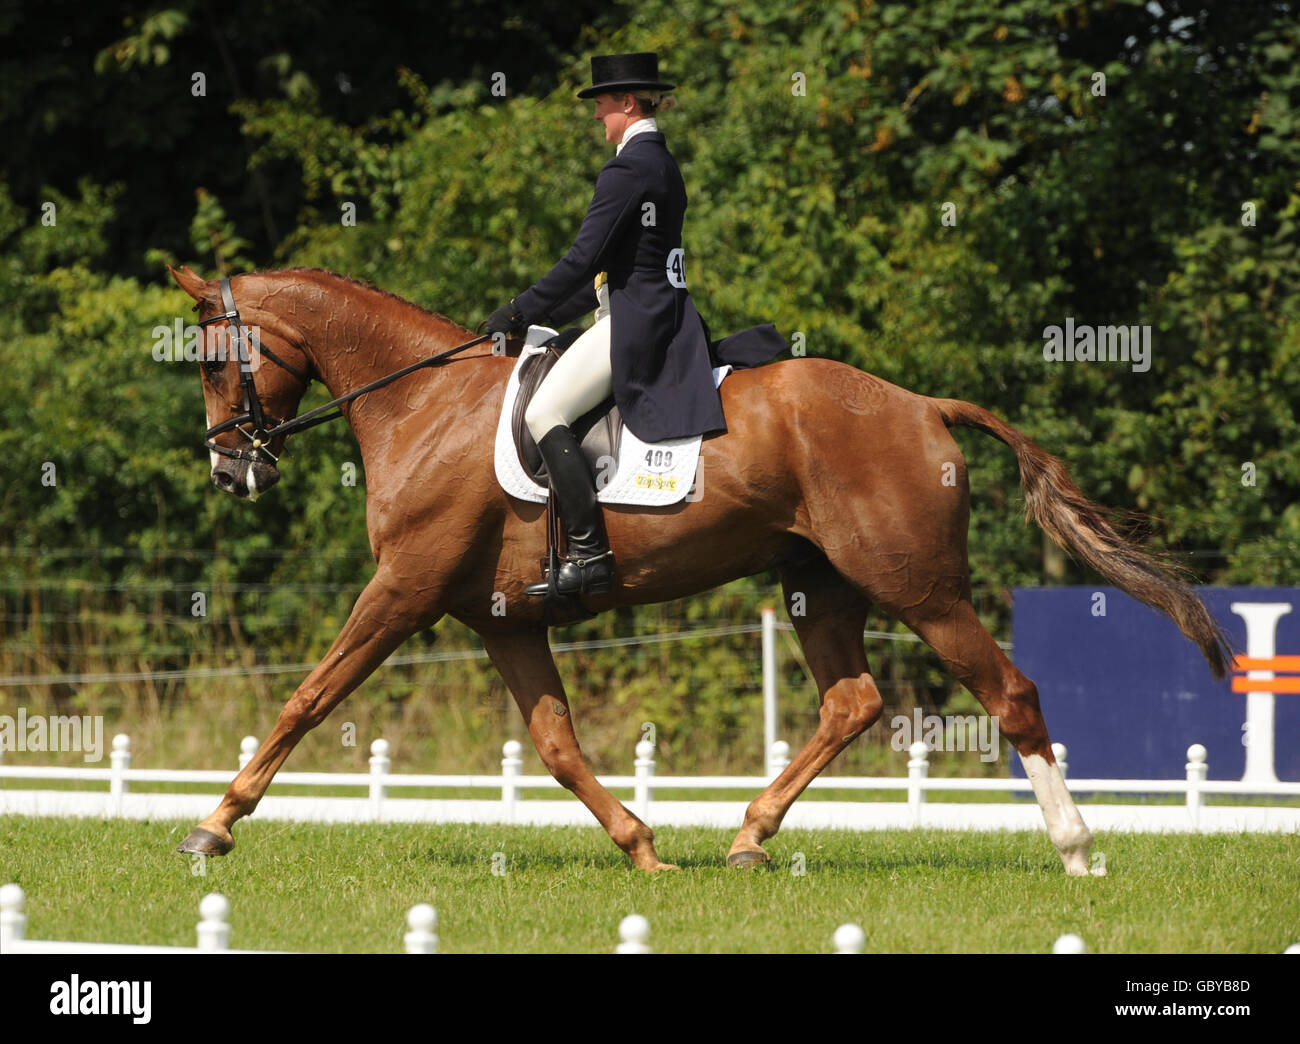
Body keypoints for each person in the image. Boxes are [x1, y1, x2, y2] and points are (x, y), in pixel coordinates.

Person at [486, 52, 786, 598]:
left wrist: (518, 310)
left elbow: (581, 259)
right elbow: (606, 269)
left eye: (601, 104)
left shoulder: (630, 167)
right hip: (650, 310)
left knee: (544, 411)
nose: (596, 115)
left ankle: (589, 555)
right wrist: (543, 313)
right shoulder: (658, 161)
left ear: (626, 103)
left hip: (638, 322)